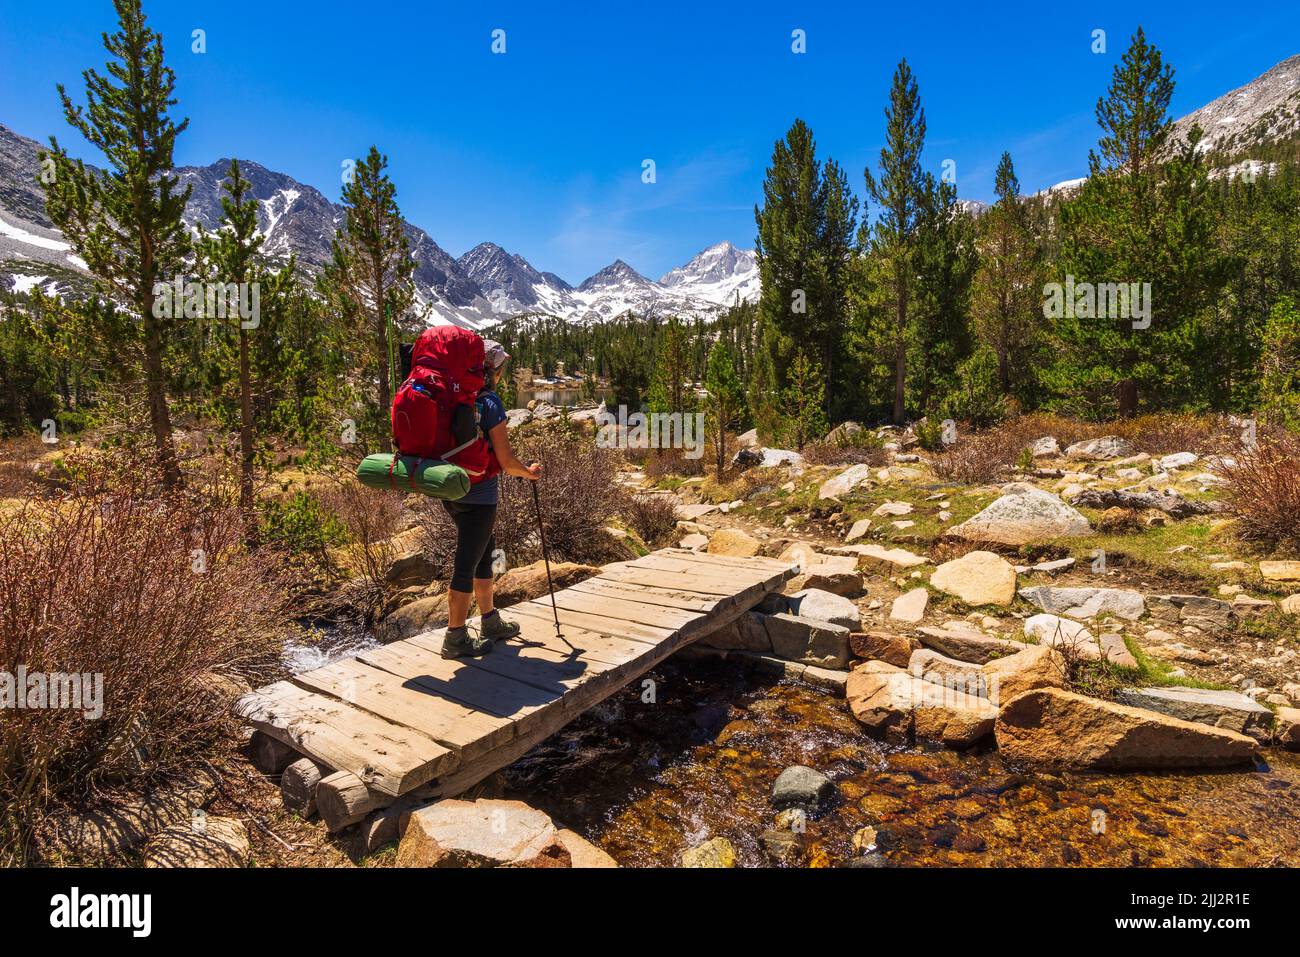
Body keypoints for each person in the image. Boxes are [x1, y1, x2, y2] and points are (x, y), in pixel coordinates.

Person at [440, 339, 542, 658]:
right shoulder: (489, 402)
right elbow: (507, 459)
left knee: (483, 555)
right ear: (491, 370)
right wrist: (529, 472)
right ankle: (455, 637)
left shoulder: (454, 396)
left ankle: (489, 620)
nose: (501, 373)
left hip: (451, 489)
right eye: (499, 368)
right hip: (480, 496)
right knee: (466, 562)